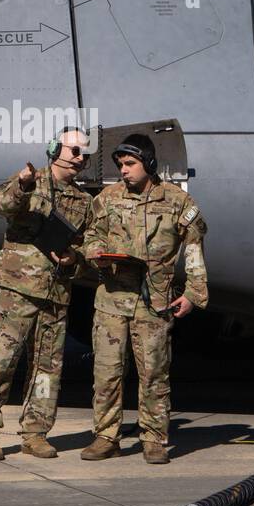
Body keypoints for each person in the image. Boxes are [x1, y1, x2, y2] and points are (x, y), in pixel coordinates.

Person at [80, 133, 208, 464]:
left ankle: (154, 438)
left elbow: (193, 248)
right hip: (112, 300)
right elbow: (90, 236)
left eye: (130, 164)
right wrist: (97, 253)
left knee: (154, 374)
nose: (124, 170)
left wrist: (194, 293)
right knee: (106, 373)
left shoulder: (178, 202)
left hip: (155, 302)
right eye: (121, 165)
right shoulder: (107, 198)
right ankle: (106, 436)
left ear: (149, 164)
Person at [0, 126, 94, 460]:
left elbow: (89, 250)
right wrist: (21, 184)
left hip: (55, 295)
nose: (80, 159)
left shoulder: (84, 201)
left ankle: (35, 433)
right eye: (74, 151)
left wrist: (74, 259)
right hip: (16, 291)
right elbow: (1, 204)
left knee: (46, 371)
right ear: (55, 149)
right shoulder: (30, 183)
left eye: (85, 153)